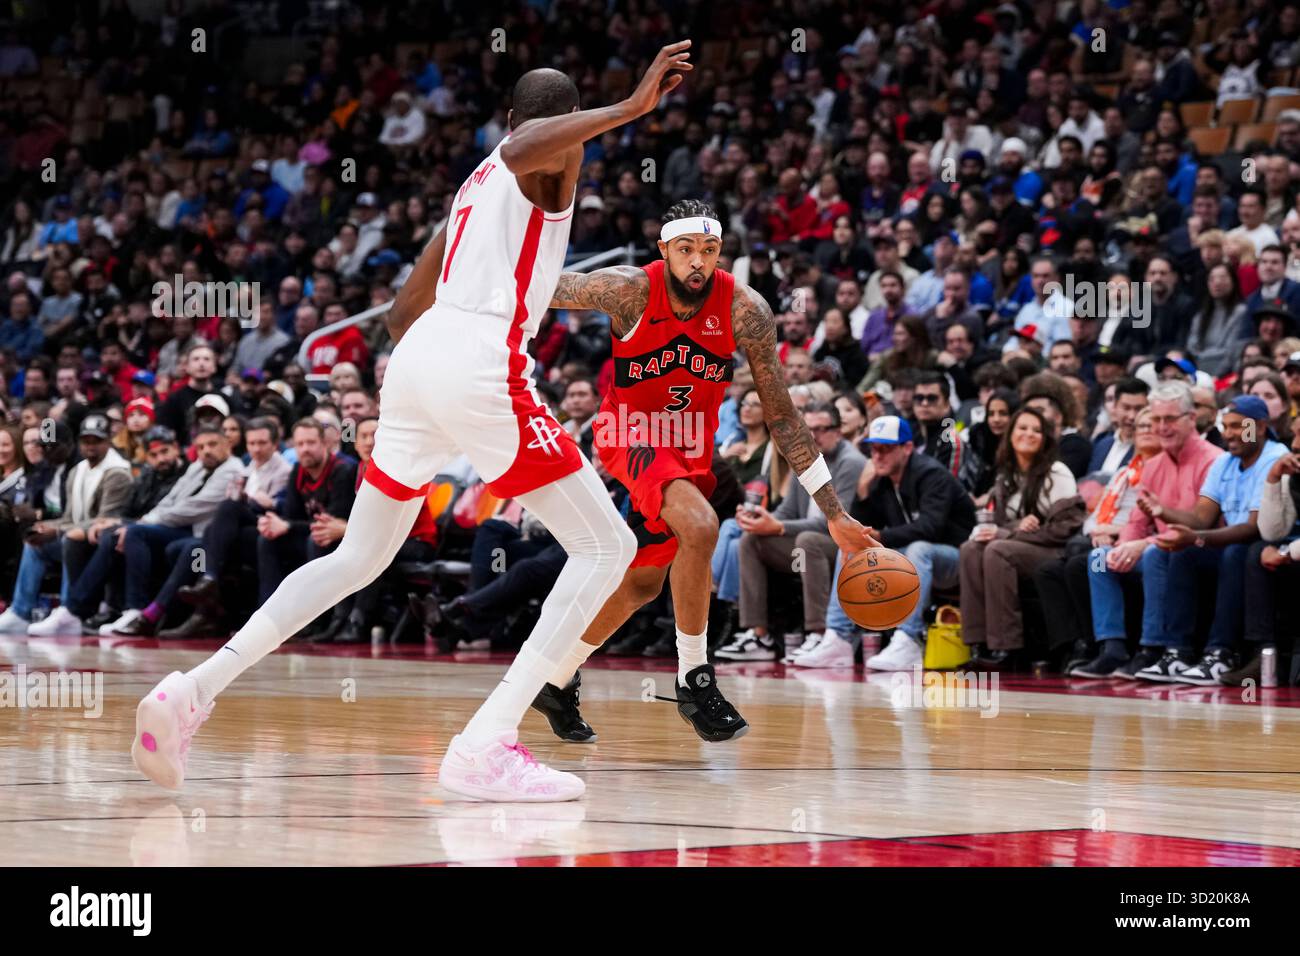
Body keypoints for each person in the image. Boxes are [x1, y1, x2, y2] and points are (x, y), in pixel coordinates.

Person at [131, 48, 700, 802]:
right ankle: (485, 745)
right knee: (610, 545)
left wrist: (443, 374)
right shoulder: (546, 159)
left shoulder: (473, 193)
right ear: (560, 127)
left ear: (505, 116)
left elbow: (401, 313)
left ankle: (192, 691)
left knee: (358, 558)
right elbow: (533, 145)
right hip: (477, 360)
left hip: (419, 363)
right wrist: (630, 108)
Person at [528, 201, 874, 741]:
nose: (697, 262)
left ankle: (555, 678)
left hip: (690, 447)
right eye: (685, 250)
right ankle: (695, 677)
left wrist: (833, 512)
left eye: (708, 251)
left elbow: (782, 416)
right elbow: (541, 285)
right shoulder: (627, 289)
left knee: (642, 583)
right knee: (702, 525)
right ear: (663, 250)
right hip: (628, 431)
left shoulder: (745, 310)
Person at [1076, 382, 1227, 678]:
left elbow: (1200, 525)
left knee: (1158, 553)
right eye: (1156, 419)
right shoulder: (1154, 464)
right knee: (1099, 558)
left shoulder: (1213, 460)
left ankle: (1153, 649)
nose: (1162, 427)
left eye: (1170, 419)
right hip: (1155, 546)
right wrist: (1124, 547)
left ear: (1191, 419)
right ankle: (1112, 647)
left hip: (1198, 548)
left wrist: (1141, 545)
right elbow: (1136, 520)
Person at [808, 415, 976, 670]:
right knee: (852, 548)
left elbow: (931, 527)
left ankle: (908, 640)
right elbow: (861, 528)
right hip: (912, 557)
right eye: (873, 449)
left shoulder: (932, 475)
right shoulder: (881, 480)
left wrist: (882, 537)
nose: (877, 456)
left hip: (957, 558)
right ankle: (838, 638)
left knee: (919, 549)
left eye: (885, 449)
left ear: (907, 448)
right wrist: (863, 492)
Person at [960, 406, 1086, 667]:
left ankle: (1007, 648)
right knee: (971, 549)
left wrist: (1010, 532)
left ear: (1045, 439)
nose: (1029, 434)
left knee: (997, 550)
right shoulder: (1006, 475)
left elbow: (1066, 527)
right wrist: (1013, 528)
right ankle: (977, 643)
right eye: (1022, 428)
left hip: (1053, 550)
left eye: (1036, 430)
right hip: (1017, 547)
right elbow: (999, 525)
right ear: (1010, 434)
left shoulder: (1057, 472)